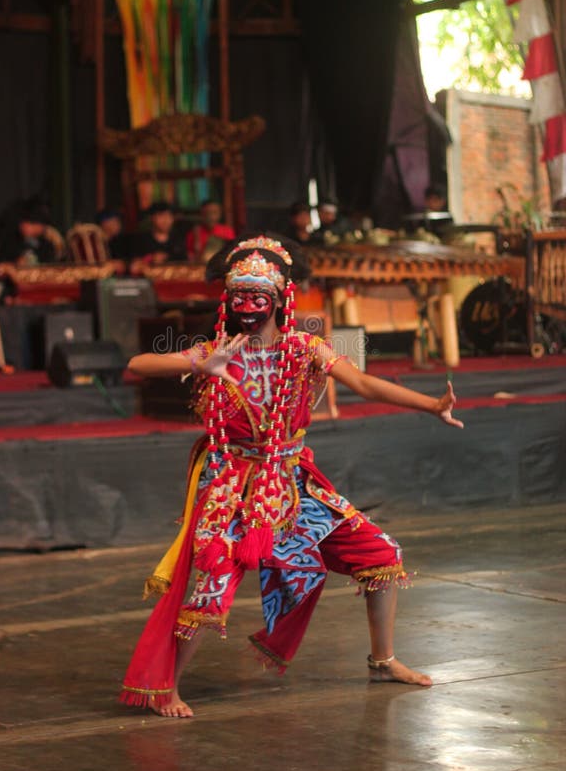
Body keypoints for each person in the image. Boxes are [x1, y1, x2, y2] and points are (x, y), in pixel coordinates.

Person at [120, 234, 463, 718]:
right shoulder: (217, 349)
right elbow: (137, 363)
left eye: (259, 297)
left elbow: (363, 382)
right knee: (211, 585)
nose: (248, 306)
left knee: (382, 554)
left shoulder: (306, 348)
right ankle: (168, 688)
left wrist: (432, 405)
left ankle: (383, 660)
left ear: (280, 300)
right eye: (239, 297)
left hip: (291, 485)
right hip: (232, 487)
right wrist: (199, 361)